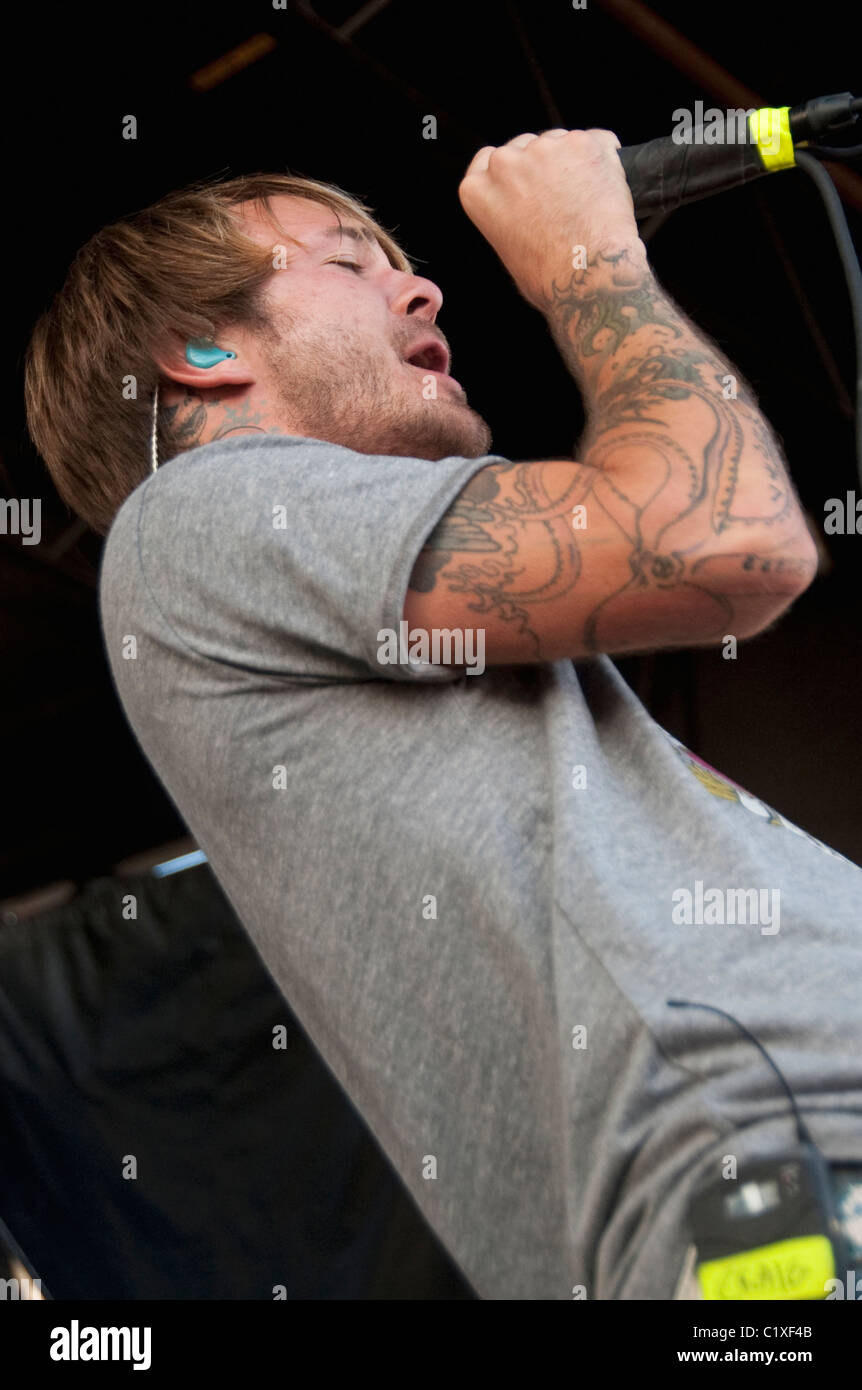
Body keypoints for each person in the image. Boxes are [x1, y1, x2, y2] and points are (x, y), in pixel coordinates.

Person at [25, 129, 862, 1300]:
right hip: (785, 1184)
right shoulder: (200, 518)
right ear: (199, 348)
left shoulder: (352, 594)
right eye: (345, 263)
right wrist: (587, 259)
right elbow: (720, 540)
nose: (420, 286)